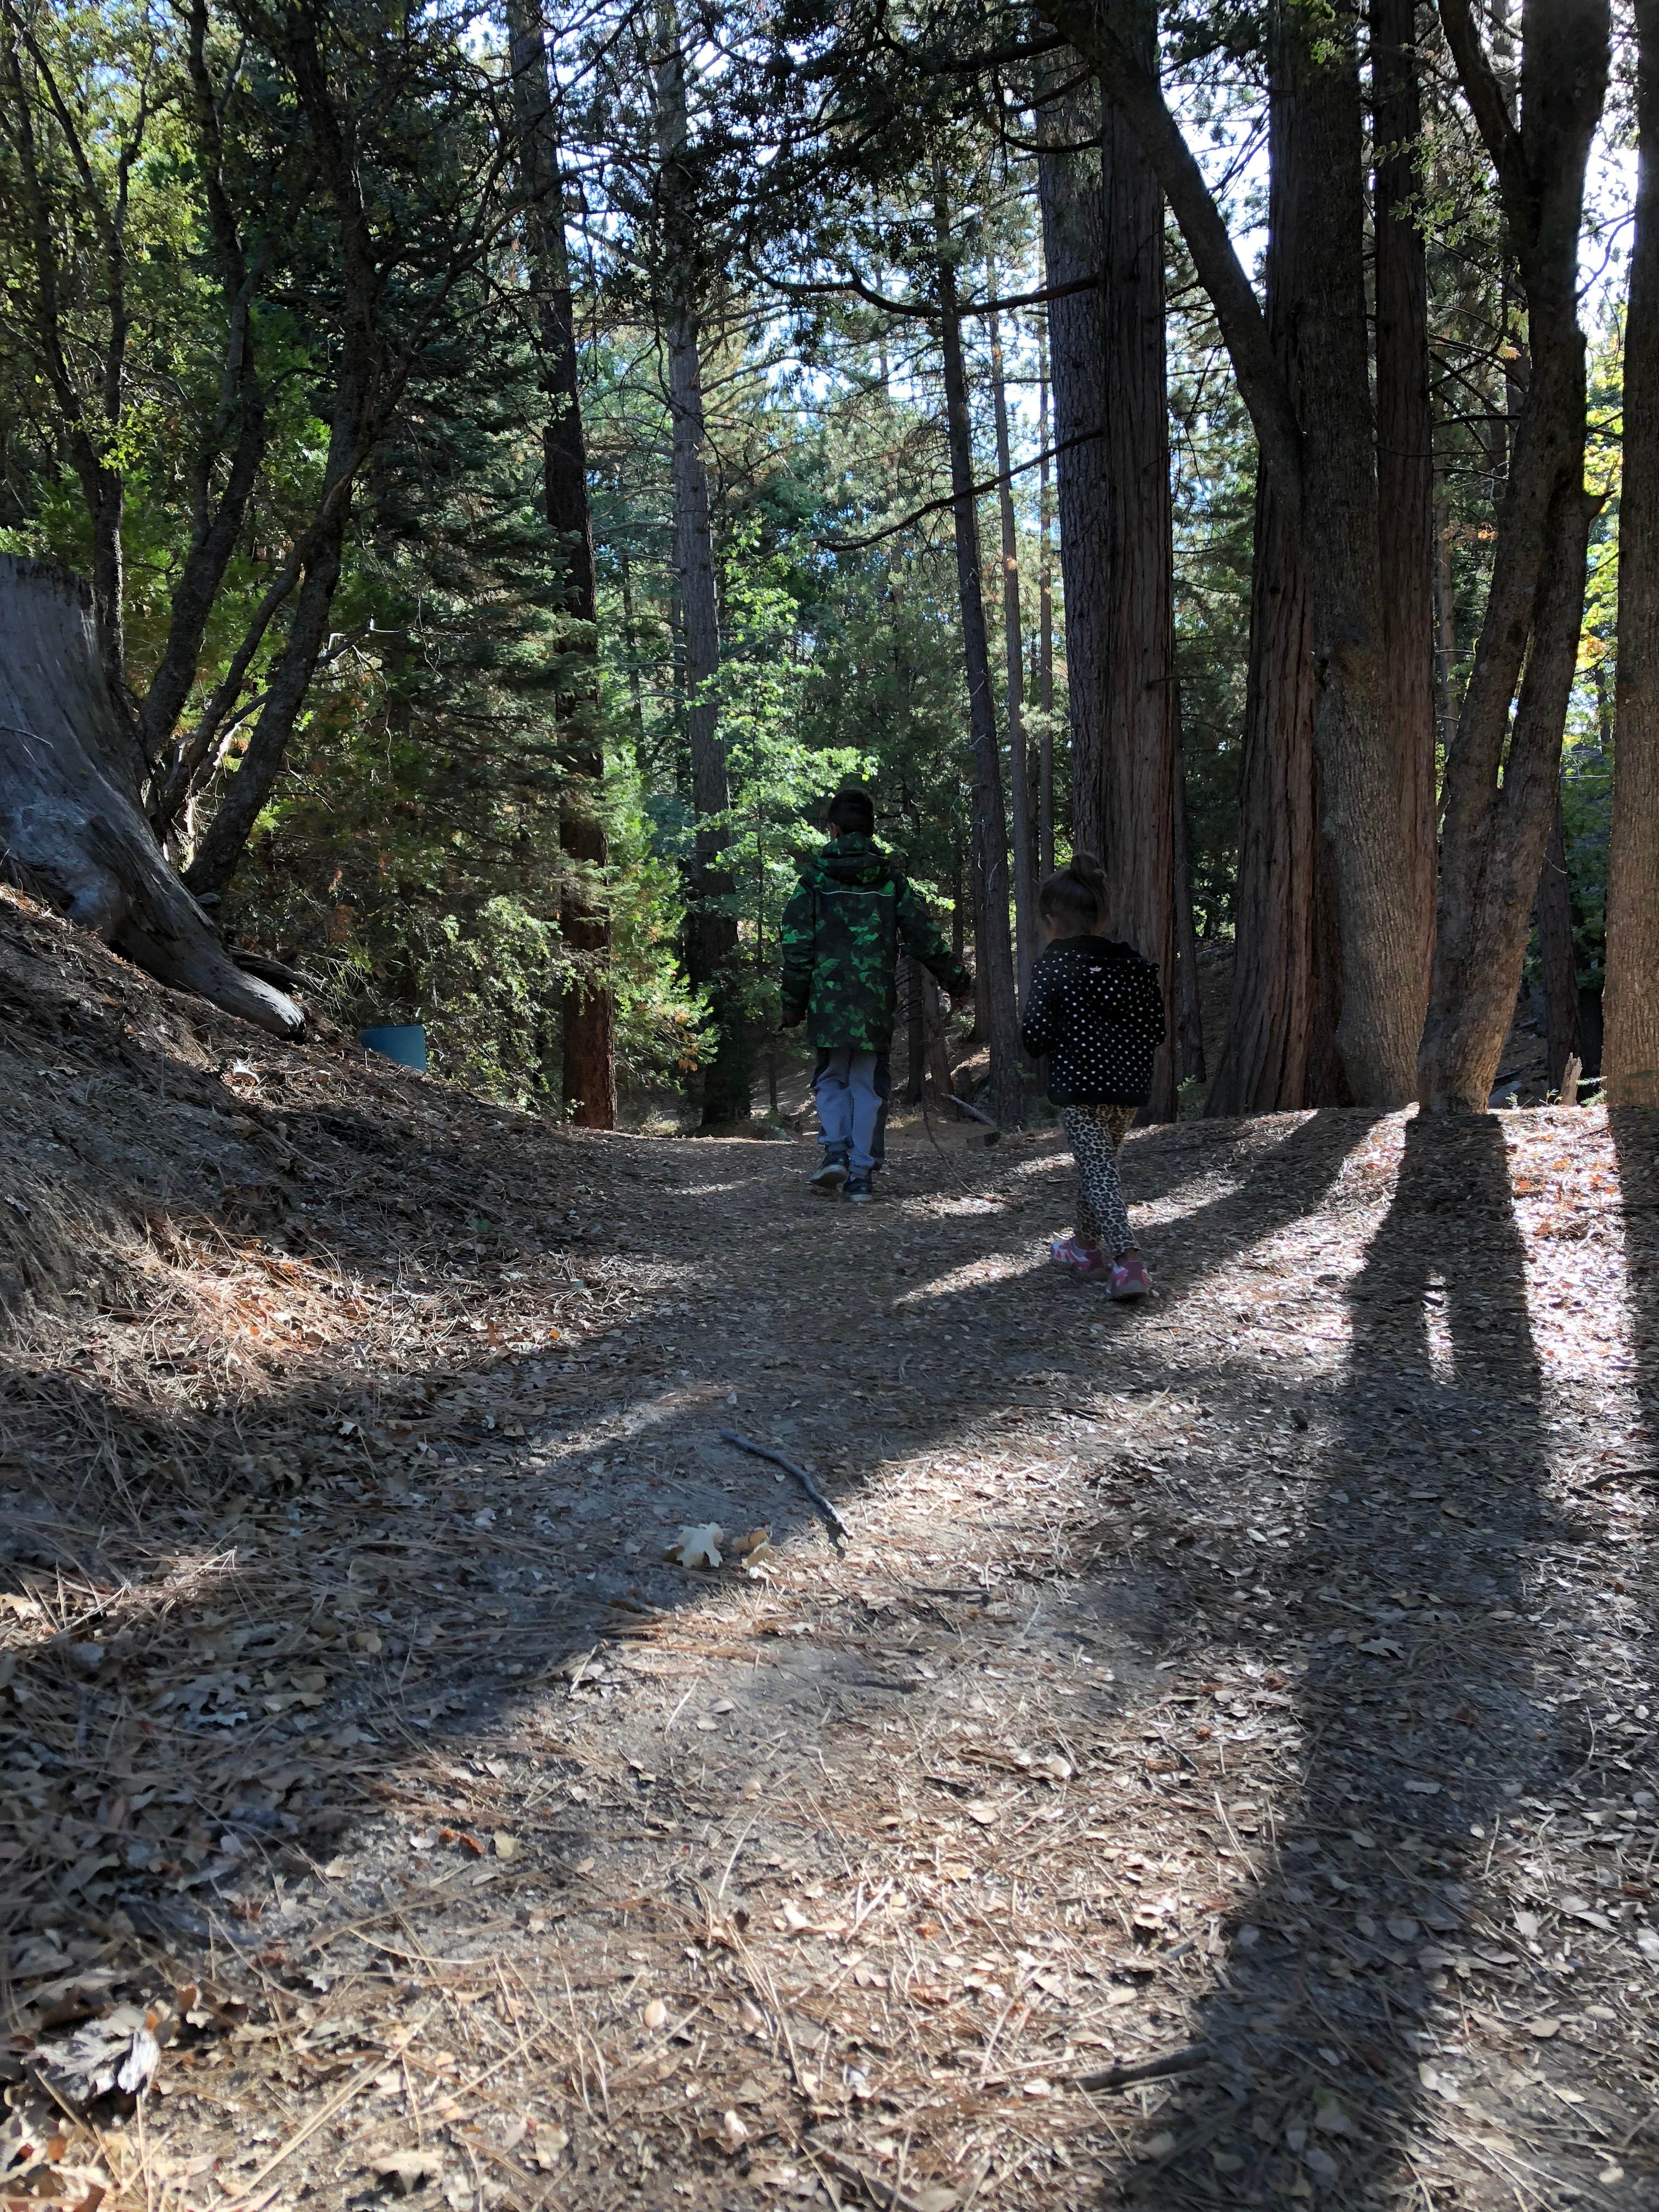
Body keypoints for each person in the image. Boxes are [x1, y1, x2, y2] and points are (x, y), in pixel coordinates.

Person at [779, 789, 973, 1202]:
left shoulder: (813, 881)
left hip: (828, 1005)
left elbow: (797, 946)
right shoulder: (890, 882)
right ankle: (861, 1178)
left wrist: (793, 1004)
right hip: (873, 1005)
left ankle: (834, 1152)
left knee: (832, 1078)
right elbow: (924, 937)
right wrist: (958, 982)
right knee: (867, 1086)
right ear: (871, 830)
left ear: (832, 829)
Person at [1019, 852, 1166, 1297]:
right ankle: (1083, 1248)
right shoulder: (1134, 966)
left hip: (1081, 1086)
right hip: (1128, 1086)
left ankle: (1129, 1263)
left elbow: (1035, 1037)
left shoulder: (1054, 965)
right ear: (1098, 915)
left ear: (1051, 920)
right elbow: (1157, 1029)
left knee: (1098, 1168)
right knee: (1098, 1167)